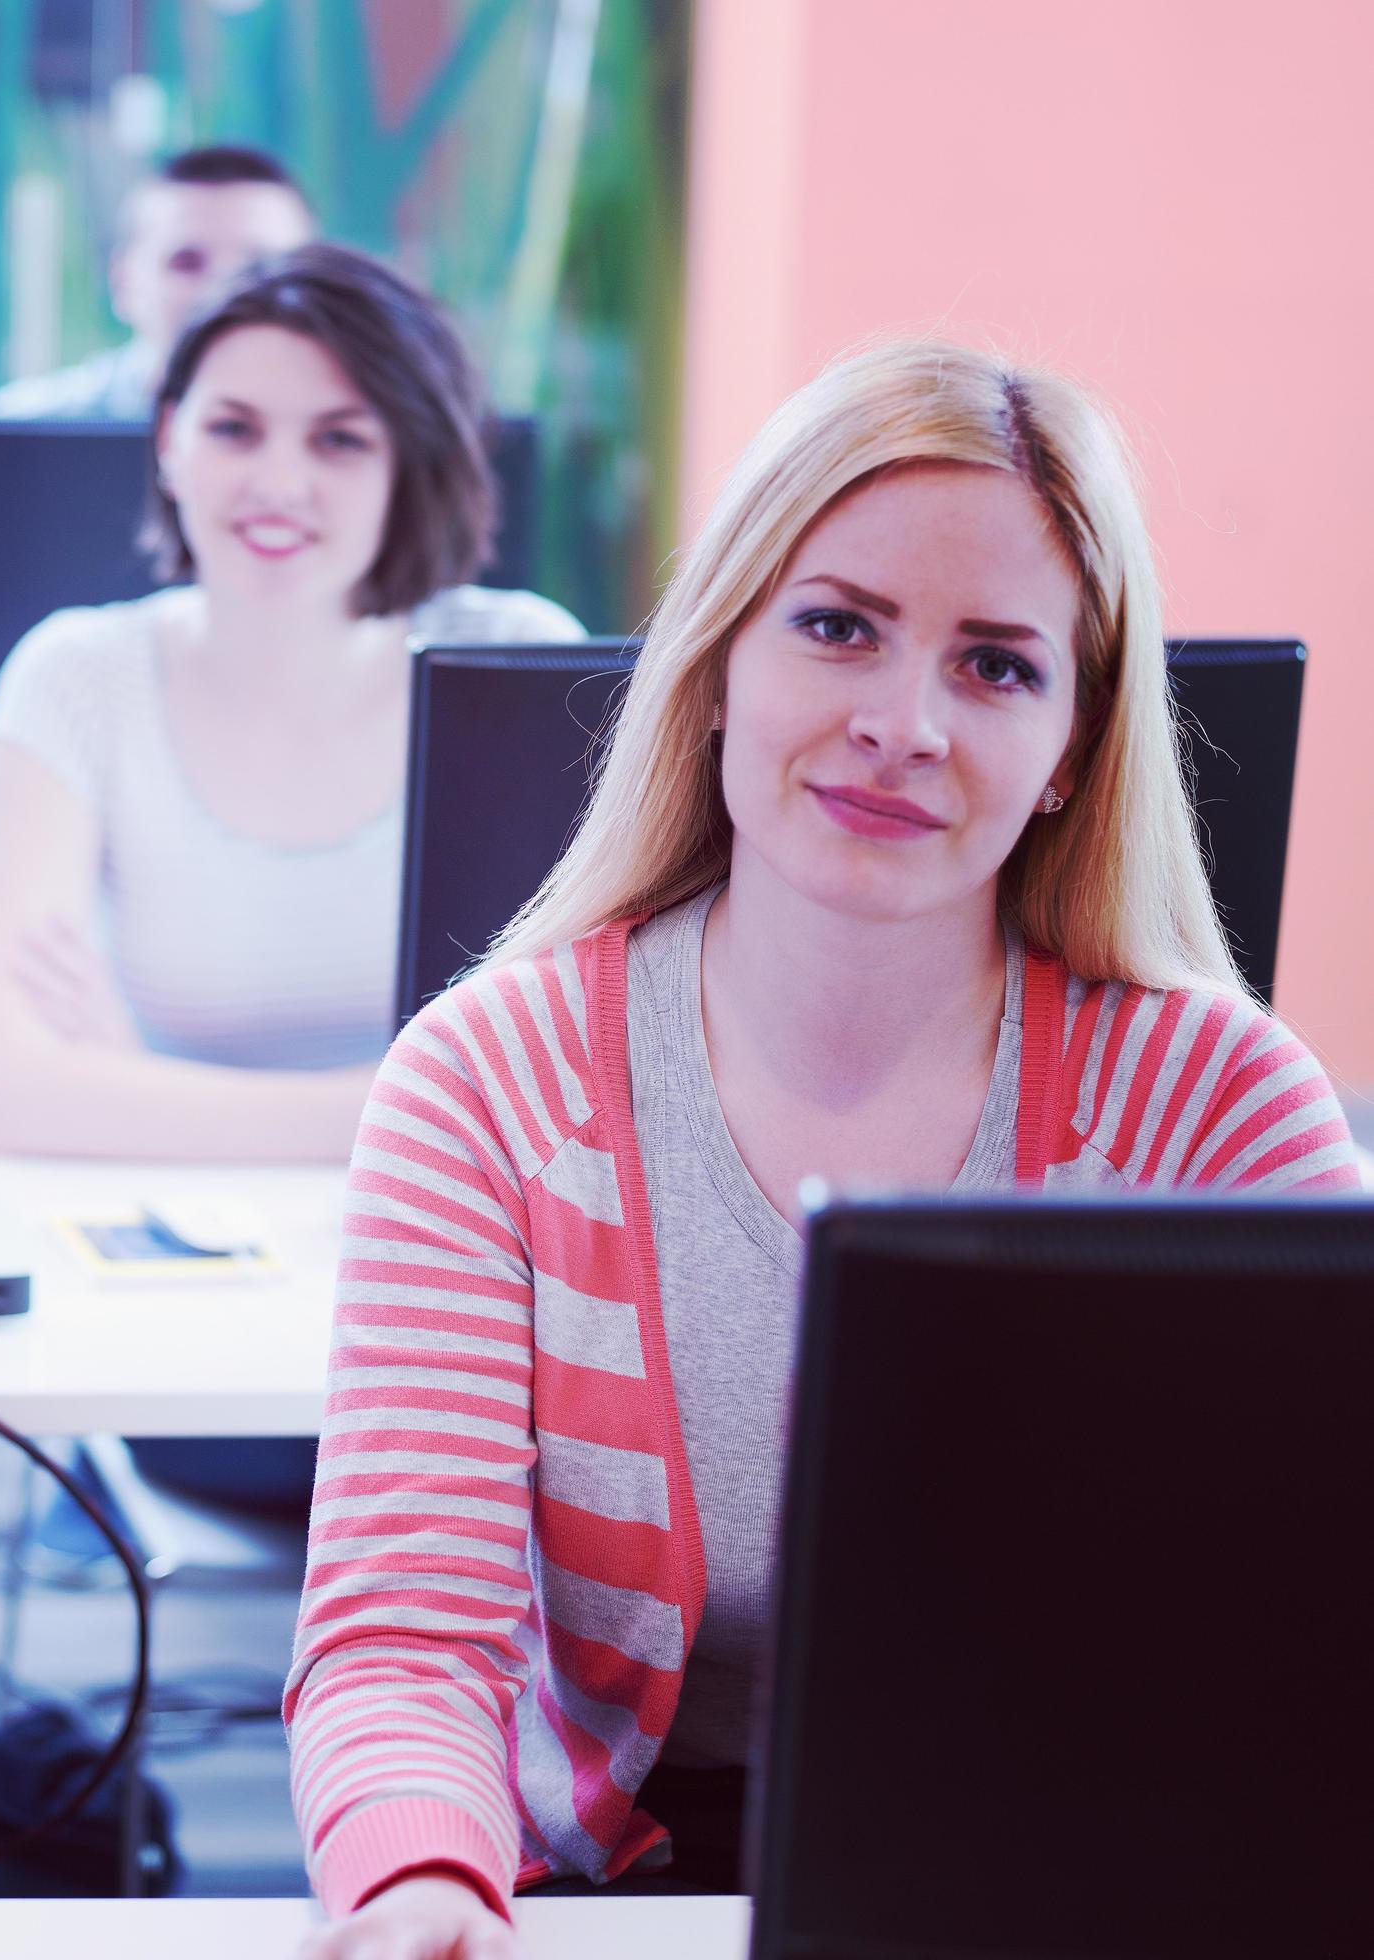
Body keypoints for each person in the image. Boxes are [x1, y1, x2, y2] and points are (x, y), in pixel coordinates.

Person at [286, 339, 1365, 1960]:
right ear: (722, 659)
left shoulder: (1218, 1110)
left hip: (1085, 1892)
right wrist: (425, 1898)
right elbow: (402, 1648)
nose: (899, 723)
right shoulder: (487, 1085)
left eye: (994, 666)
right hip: (607, 1892)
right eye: (838, 626)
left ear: (1071, 745)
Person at [0, 241, 583, 1165]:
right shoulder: (75, 677)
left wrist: (136, 1091)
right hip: (160, 1241)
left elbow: (569, 1074)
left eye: (339, 439)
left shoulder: (519, 661)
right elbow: (17, 1099)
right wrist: (429, 1112)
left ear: (405, 466)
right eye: (234, 429)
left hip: (465, 1242)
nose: (278, 484)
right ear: (170, 438)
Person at [0, 144, 316, 745]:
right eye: (187, 261)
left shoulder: (376, 451)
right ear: (123, 282)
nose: (229, 290)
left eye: (262, 264)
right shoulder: (16, 435)